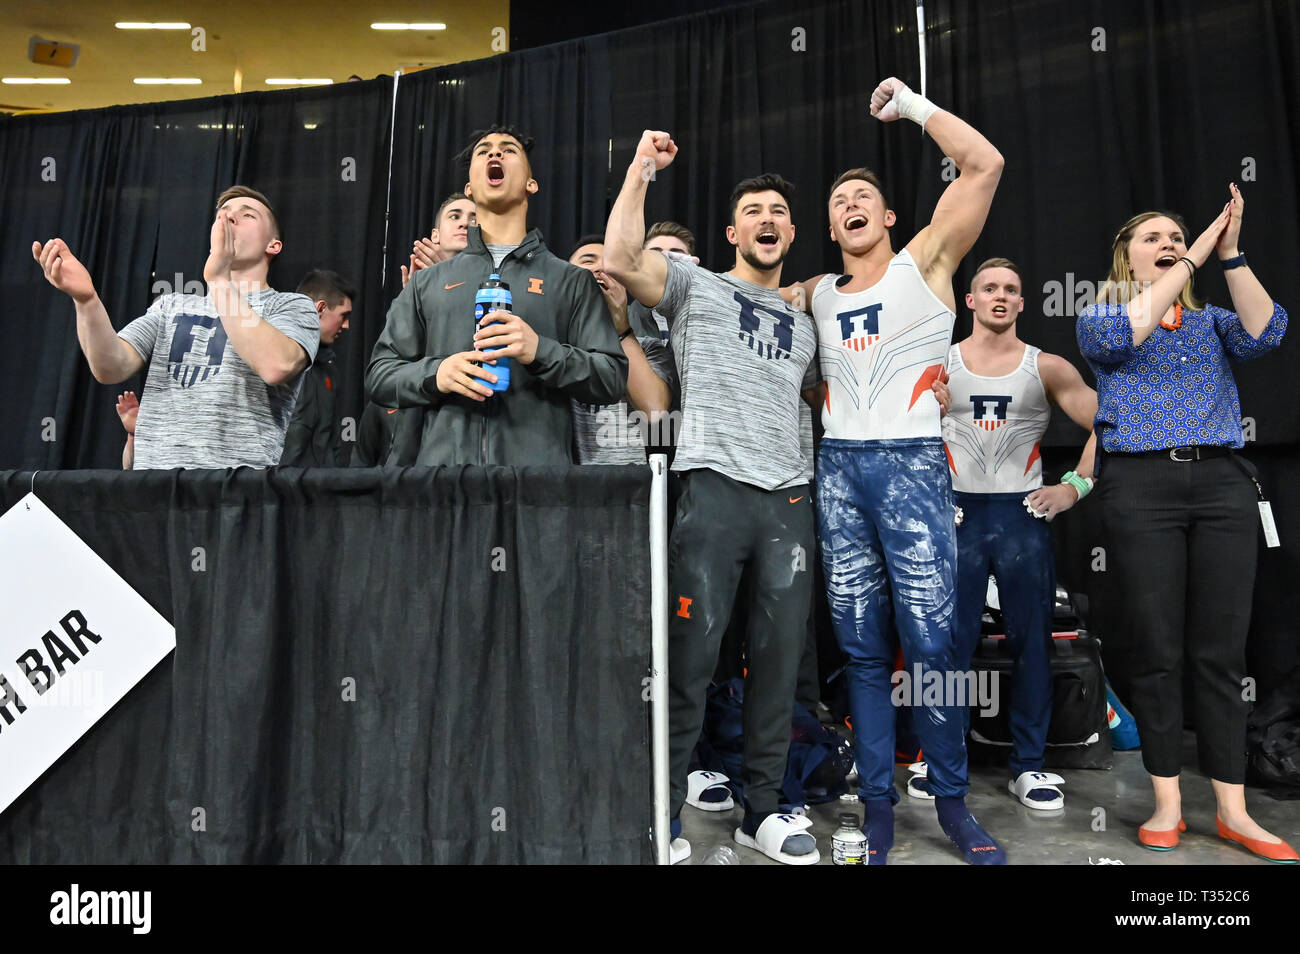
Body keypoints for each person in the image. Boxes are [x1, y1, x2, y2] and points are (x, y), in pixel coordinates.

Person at [784, 76, 1006, 864]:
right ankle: (876, 806)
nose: (848, 201)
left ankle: (951, 804)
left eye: (862, 195)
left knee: (935, 651)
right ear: (832, 223)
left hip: (912, 469)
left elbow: (984, 166)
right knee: (865, 654)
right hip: (840, 473)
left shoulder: (928, 263)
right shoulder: (813, 294)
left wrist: (912, 107)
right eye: (837, 196)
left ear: (886, 217)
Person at [605, 130, 821, 865]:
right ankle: (659, 814)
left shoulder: (807, 317)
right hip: (712, 486)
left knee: (780, 664)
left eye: (778, 212)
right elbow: (621, 259)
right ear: (733, 232)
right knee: (687, 666)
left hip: (788, 499)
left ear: (792, 231)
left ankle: (763, 808)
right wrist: (640, 169)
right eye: (753, 211)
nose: (767, 219)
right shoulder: (695, 285)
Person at [1076, 187, 1296, 862]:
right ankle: (1168, 801)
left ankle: (1233, 809)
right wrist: (1195, 251)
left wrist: (1230, 255)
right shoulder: (1102, 314)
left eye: (1177, 236)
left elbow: (1269, 332)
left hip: (1224, 485)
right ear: (1127, 256)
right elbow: (1119, 341)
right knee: (1158, 646)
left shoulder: (1212, 323)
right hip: (1141, 487)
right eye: (1155, 238)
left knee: (1221, 650)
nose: (1170, 242)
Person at [923, 256, 1099, 811]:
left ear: (1022, 304)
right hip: (956, 514)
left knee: (1032, 644)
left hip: (1021, 517)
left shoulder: (1046, 367)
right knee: (944, 646)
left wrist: (1074, 488)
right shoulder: (937, 364)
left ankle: (1029, 765)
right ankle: (939, 758)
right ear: (969, 300)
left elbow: (1114, 422)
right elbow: (892, 435)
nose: (1000, 296)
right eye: (989, 288)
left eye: (1012, 290)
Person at [366, 125, 626, 465]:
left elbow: (611, 377)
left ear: (531, 184)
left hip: (537, 489)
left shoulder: (571, 280)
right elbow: (380, 375)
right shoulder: (426, 283)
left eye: (509, 149)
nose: (495, 153)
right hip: (444, 485)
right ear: (469, 188)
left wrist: (540, 350)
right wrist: (437, 374)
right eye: (484, 150)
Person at [33, 186, 319, 468]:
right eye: (223, 214)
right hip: (153, 490)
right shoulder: (171, 306)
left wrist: (220, 281)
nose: (229, 219)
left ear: (273, 245)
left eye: (247, 215)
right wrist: (86, 300)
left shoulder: (291, 307)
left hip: (233, 494)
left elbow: (276, 365)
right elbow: (111, 366)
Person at [567, 235, 676, 465]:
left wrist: (620, 327)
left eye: (609, 264)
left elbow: (654, 411)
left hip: (628, 490)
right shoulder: (547, 341)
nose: (599, 268)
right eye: (588, 261)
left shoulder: (648, 348)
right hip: (558, 486)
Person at [280, 270, 357, 467]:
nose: (347, 325)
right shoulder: (277, 362)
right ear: (320, 309)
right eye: (344, 315)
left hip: (318, 490)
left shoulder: (328, 369)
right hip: (275, 491)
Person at [630, 221, 697, 342]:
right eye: (656, 253)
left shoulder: (706, 316)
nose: (665, 259)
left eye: (676, 253)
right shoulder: (622, 319)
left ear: (692, 262)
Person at [400, 194, 477, 287]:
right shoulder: (420, 282)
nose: (465, 223)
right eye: (454, 217)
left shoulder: (491, 283)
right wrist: (413, 297)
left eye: (474, 220)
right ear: (436, 235)